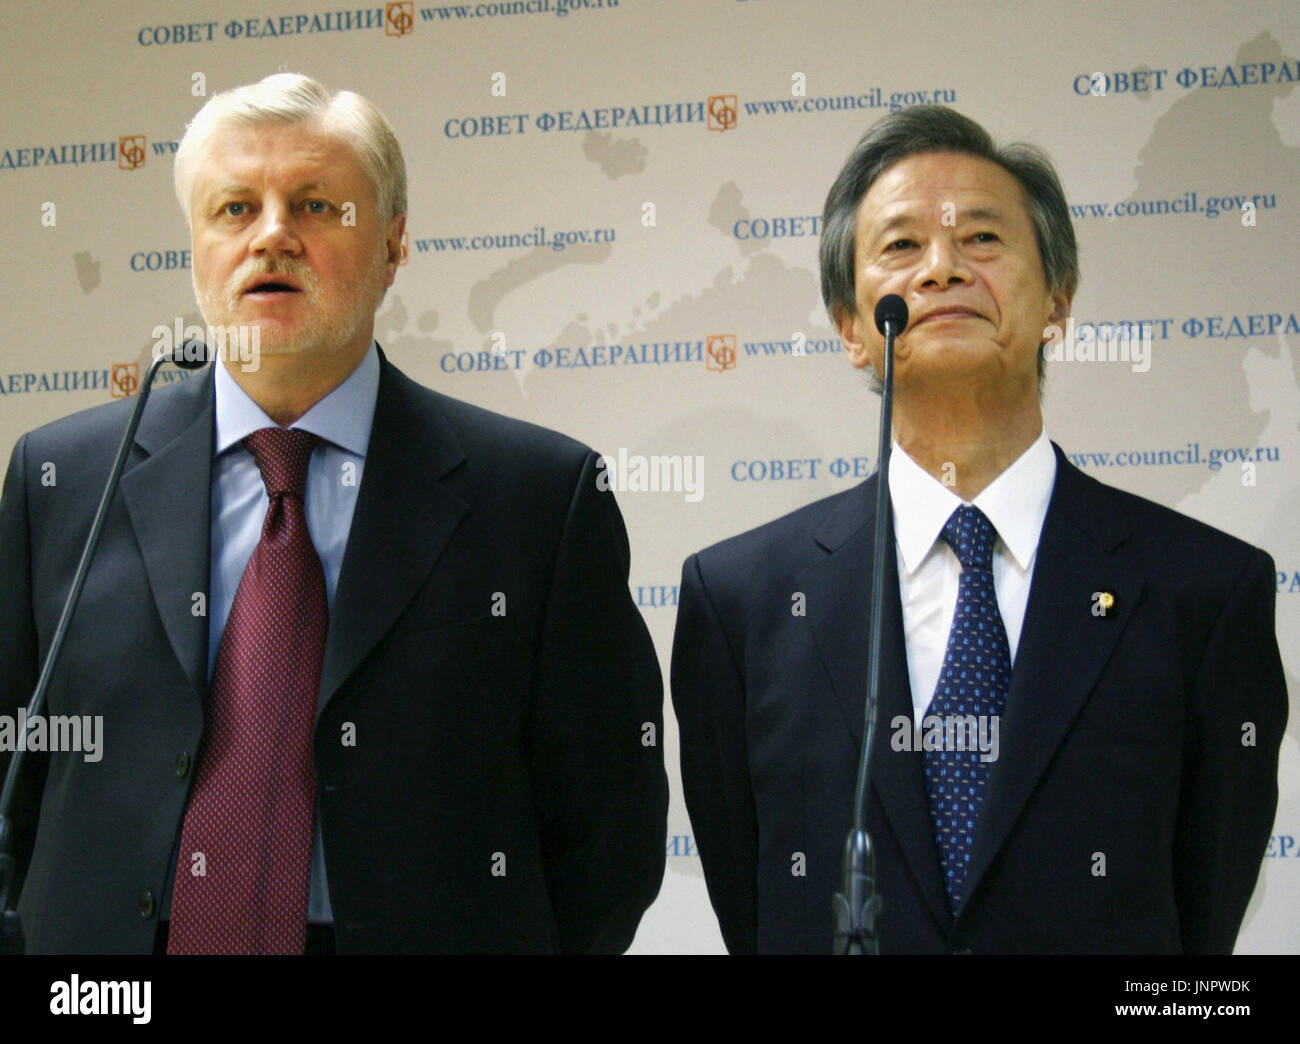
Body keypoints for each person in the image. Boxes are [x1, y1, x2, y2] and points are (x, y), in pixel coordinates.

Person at [0, 73, 667, 954]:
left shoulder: (539, 497)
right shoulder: (62, 479)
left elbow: (608, 830)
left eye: (315, 206)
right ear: (195, 246)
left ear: (393, 245)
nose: (272, 235)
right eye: (235, 209)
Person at [670, 105, 1287, 954]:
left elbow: (1200, 913)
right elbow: (754, 902)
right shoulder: (744, 600)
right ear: (851, 328)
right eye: (902, 245)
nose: (942, 269)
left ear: (1058, 301)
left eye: (983, 240)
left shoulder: (1204, 592)